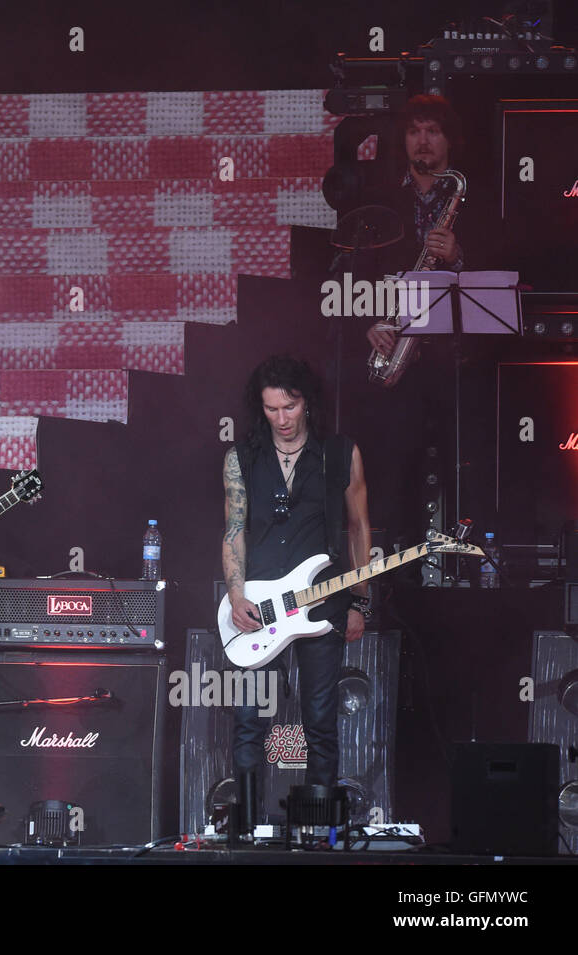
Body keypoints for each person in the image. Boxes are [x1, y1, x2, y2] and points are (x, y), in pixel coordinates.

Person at [221, 356, 372, 821]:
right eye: (271, 410)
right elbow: (233, 530)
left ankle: (316, 832)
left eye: (290, 407)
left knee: (321, 722)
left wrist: (361, 602)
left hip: (323, 599)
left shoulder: (340, 453)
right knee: (249, 722)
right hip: (258, 603)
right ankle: (245, 829)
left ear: (307, 402)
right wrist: (237, 594)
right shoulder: (240, 457)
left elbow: (360, 528)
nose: (282, 420)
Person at [366, 94, 466, 359]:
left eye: (432, 131)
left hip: (456, 350)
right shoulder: (381, 199)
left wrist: (456, 257)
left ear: (449, 139)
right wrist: (372, 322)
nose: (422, 142)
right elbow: (363, 271)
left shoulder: (476, 197)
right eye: (413, 132)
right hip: (394, 346)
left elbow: (501, 269)